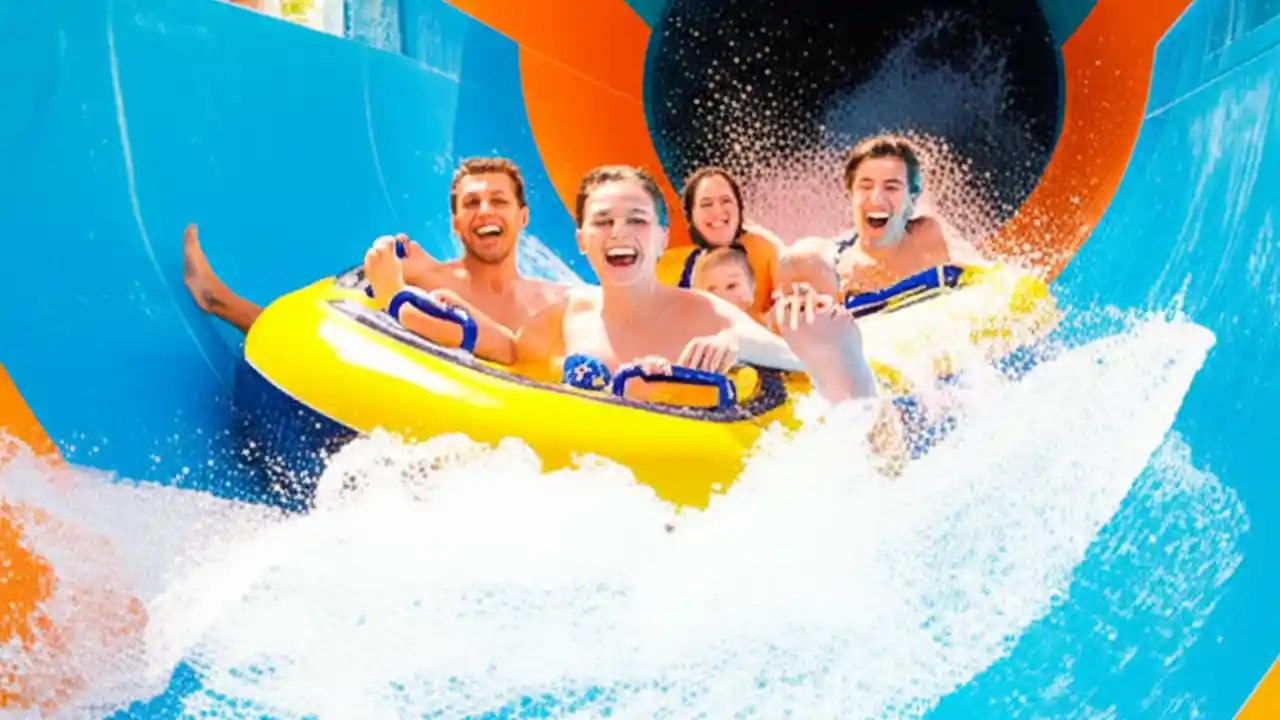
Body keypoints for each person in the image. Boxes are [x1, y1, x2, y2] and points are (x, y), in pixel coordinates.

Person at [366, 165, 881, 406]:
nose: (619, 234)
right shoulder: (567, 317)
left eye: (636, 221)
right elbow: (510, 362)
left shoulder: (703, 313)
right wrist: (450, 314)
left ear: (661, 239)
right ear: (583, 241)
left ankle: (858, 379)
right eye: (603, 222)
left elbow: (793, 357)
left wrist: (739, 341)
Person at [183, 157, 566, 339]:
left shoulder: (554, 301)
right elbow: (318, 319)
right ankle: (218, 300)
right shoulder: (420, 276)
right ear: (454, 222)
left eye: (498, 201)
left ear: (523, 217)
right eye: (471, 204)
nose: (485, 212)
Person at [834, 135, 985, 294]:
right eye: (866, 187)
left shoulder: (931, 234)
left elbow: (986, 280)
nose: (877, 199)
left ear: (912, 199)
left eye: (891, 188)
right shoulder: (843, 277)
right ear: (851, 194)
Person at [655, 167, 781, 317]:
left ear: (739, 208)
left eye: (726, 201)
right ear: (691, 216)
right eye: (706, 204)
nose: (717, 211)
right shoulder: (684, 266)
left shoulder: (765, 251)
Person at [689, 247, 764, 326]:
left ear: (752, 284)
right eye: (712, 291)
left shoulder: (771, 326)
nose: (723, 296)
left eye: (731, 286)